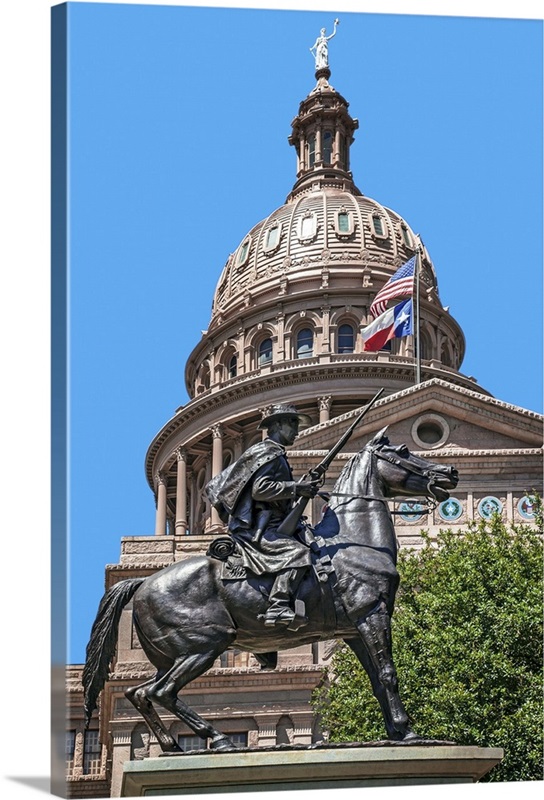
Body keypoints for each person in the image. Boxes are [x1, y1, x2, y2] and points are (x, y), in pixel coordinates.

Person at [206, 404, 320, 628]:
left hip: (274, 524)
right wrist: (297, 488)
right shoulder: (269, 452)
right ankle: (278, 607)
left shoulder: (274, 453)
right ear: (277, 425)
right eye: (292, 424)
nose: (297, 431)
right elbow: (260, 490)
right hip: (261, 529)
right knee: (297, 554)